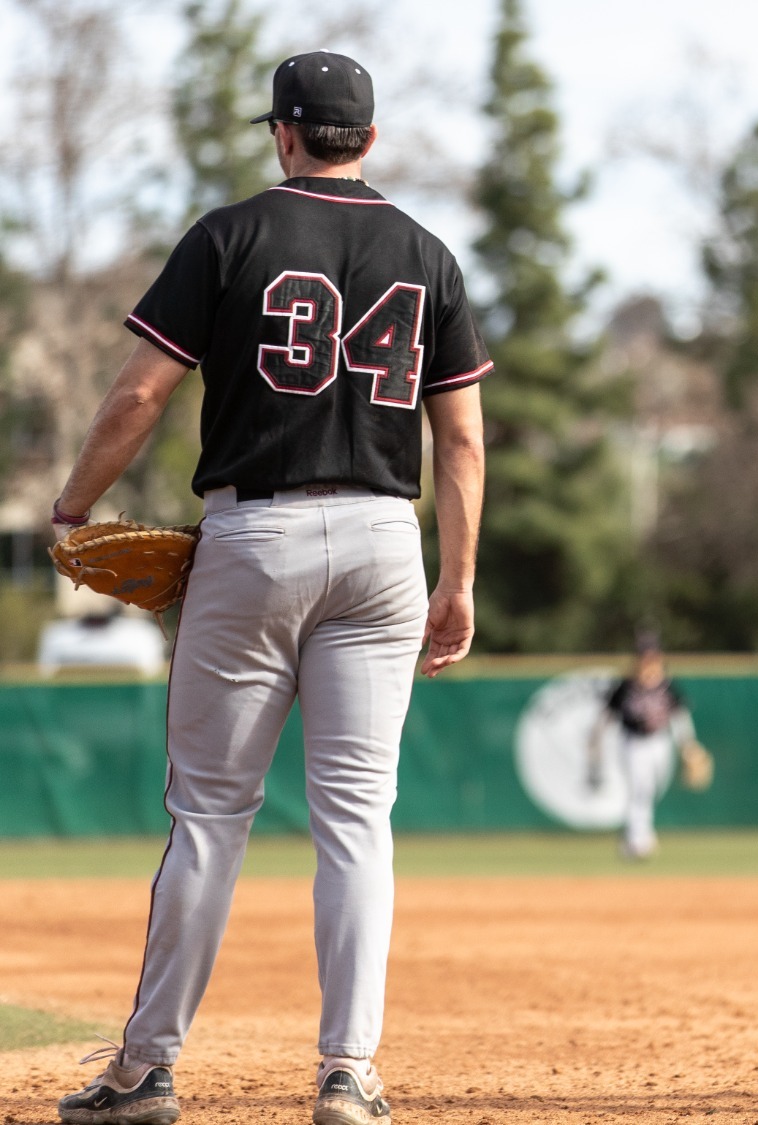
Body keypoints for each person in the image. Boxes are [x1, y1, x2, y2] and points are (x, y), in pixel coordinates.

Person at [51, 52, 490, 1125]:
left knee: (208, 815)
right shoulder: (426, 253)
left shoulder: (230, 233)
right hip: (388, 542)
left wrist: (70, 508)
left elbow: (141, 393)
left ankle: (146, 1070)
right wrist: (459, 577)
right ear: (369, 142)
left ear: (283, 134)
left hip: (257, 533)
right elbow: (463, 439)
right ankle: (349, 1073)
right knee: (356, 822)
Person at [587, 633, 712, 860]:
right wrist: (596, 739)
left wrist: (688, 744)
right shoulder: (625, 686)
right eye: (644, 655)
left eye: (652, 654)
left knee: (650, 789)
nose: (648, 659)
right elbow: (606, 716)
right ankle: (639, 840)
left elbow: (679, 716)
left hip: (659, 742)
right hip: (633, 742)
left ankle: (634, 836)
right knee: (640, 790)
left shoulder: (667, 684)